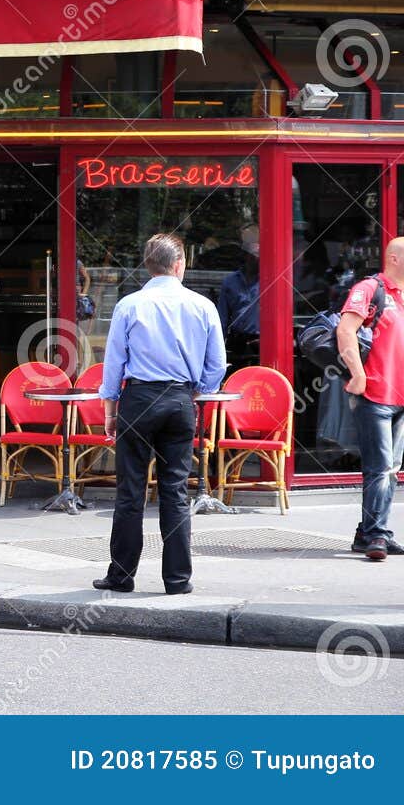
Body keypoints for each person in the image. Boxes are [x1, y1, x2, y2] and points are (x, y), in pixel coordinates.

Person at [94, 233, 226, 595]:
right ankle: (177, 579)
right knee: (175, 490)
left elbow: (114, 364)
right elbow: (216, 364)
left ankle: (121, 576)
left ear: (148, 266)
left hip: (138, 398)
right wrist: (197, 390)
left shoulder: (130, 304)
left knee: (130, 492)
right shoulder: (202, 306)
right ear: (180, 264)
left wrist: (110, 407)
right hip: (180, 399)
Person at [337, 237, 404, 561]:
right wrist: (358, 372)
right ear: (393, 258)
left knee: (390, 468)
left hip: (400, 394)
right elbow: (345, 330)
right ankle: (377, 534)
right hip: (376, 392)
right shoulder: (369, 289)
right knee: (381, 468)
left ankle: (369, 532)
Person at [216, 226, 261, 367]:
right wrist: (217, 348)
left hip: (260, 341)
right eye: (254, 254)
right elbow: (222, 319)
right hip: (237, 341)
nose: (258, 258)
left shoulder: (269, 281)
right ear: (246, 256)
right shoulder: (230, 282)